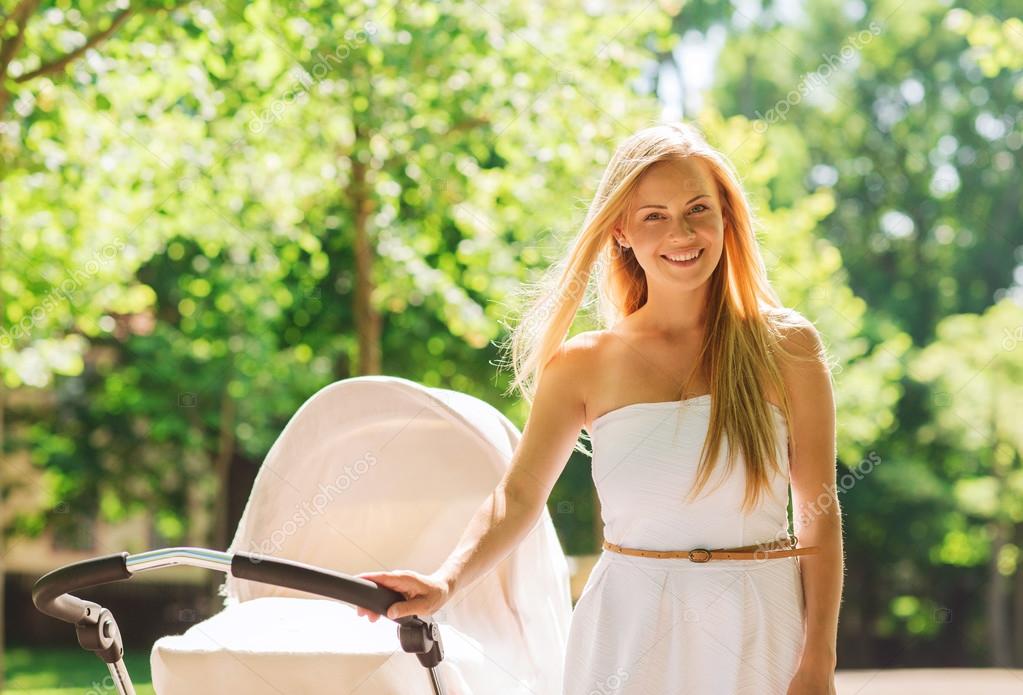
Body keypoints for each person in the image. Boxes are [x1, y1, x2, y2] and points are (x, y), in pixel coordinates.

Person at [355, 121, 843, 695]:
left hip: (762, 629)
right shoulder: (582, 364)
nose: (681, 233)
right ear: (620, 232)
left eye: (697, 209)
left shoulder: (787, 346)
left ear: (726, 217)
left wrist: (818, 662)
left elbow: (819, 511)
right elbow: (518, 497)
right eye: (654, 216)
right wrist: (444, 581)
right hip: (627, 636)